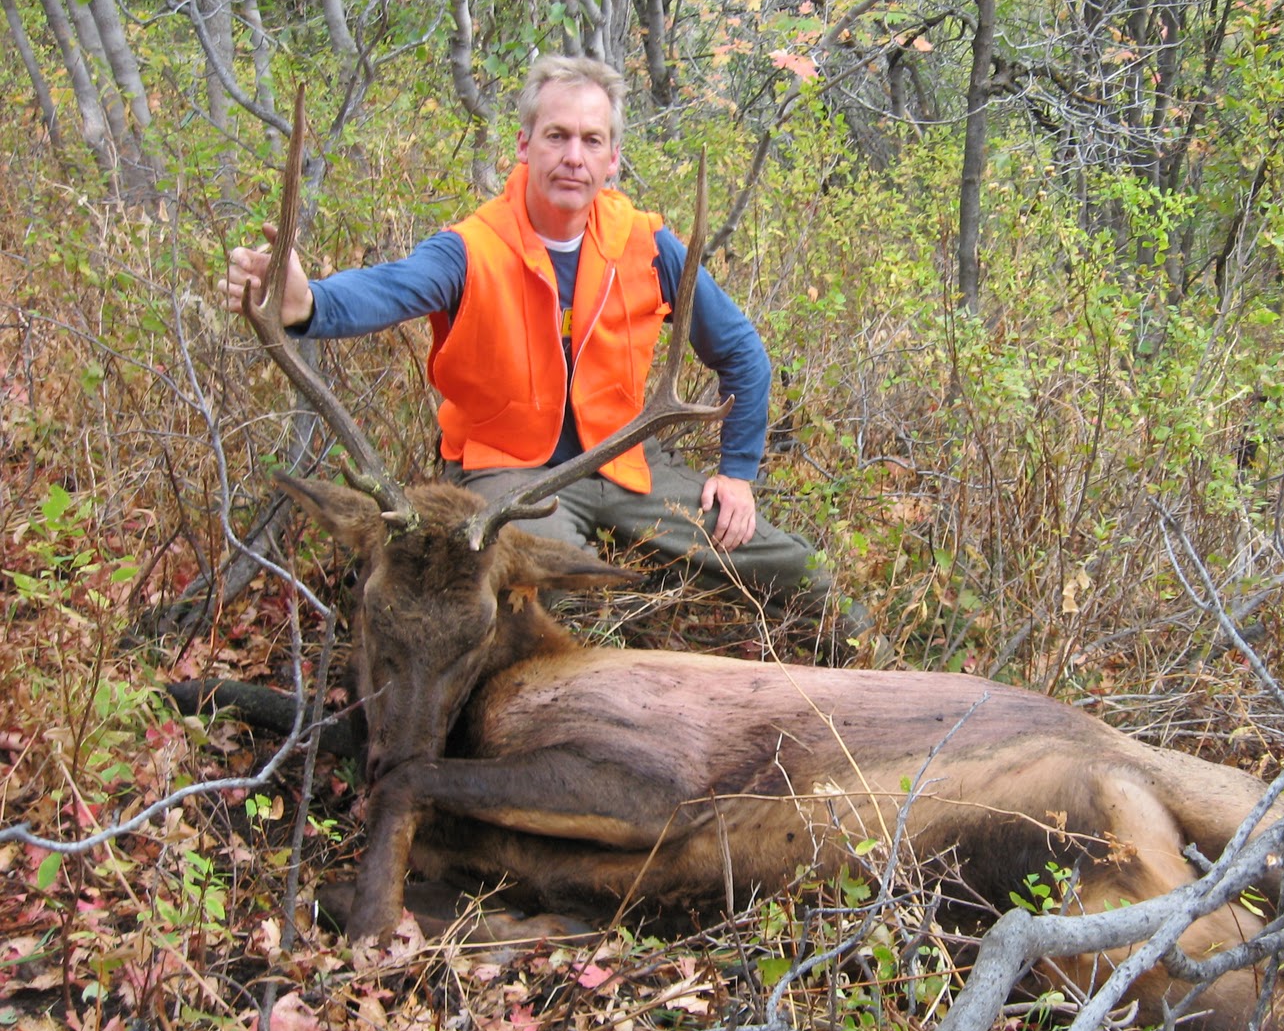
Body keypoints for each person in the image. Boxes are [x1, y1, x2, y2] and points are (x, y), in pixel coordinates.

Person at [221, 55, 867, 645]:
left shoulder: (647, 245)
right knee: (552, 615)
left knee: (799, 572)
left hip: (626, 464)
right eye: (556, 136)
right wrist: (310, 305)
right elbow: (389, 289)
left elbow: (742, 353)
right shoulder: (470, 249)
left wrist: (738, 474)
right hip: (509, 481)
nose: (573, 157)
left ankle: (883, 666)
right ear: (525, 145)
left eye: (592, 141)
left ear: (613, 159)